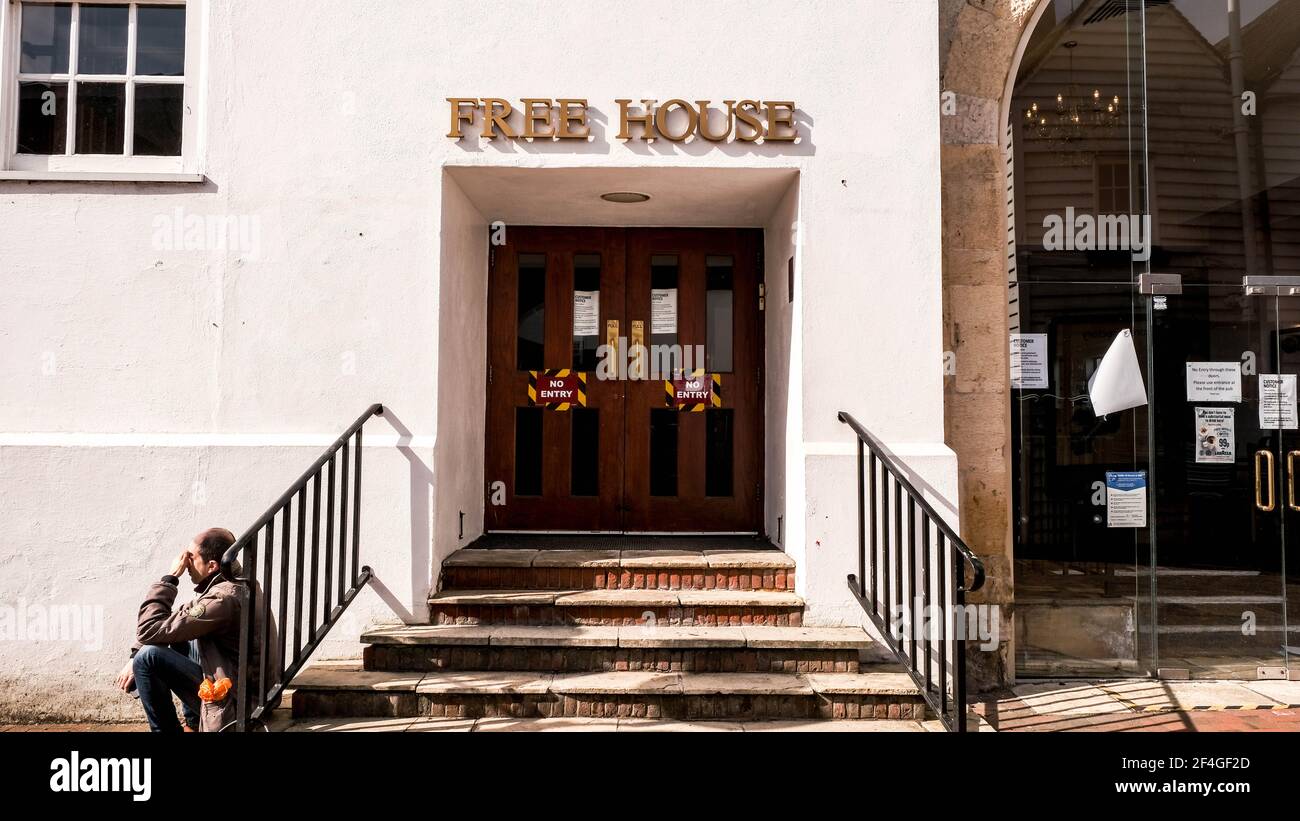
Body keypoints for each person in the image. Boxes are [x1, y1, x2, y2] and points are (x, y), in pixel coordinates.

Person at [114, 527, 263, 732]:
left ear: (211, 565)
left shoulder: (222, 599)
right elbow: (177, 619)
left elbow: (148, 629)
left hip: (238, 703)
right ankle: (193, 725)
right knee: (178, 637)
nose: (185, 563)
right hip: (244, 689)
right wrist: (134, 653)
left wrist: (171, 577)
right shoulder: (232, 582)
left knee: (148, 658)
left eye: (190, 558)